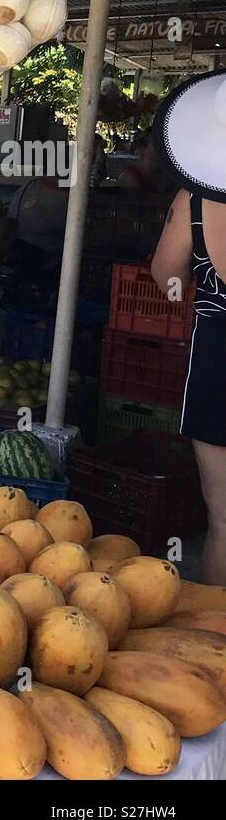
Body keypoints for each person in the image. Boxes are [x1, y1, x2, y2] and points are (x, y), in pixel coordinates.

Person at [149, 71, 226, 585]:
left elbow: (163, 275)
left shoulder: (193, 201)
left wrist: (194, 288)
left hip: (217, 361)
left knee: (223, 519)